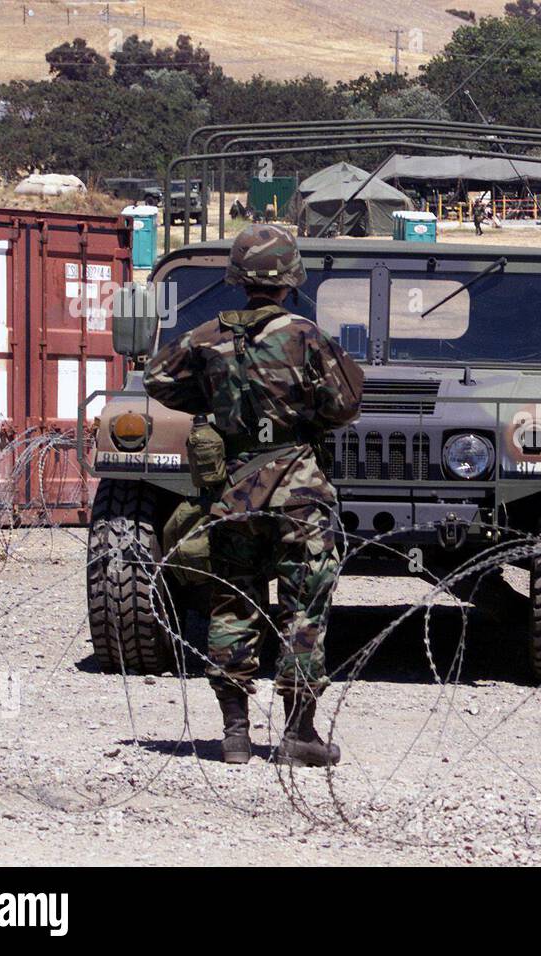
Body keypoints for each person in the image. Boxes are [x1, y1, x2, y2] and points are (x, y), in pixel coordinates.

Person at [144, 223, 364, 766]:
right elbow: (345, 405)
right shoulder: (306, 335)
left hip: (234, 492)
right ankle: (298, 735)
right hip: (299, 494)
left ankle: (235, 734)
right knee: (303, 609)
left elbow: (156, 379)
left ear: (238, 278)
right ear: (291, 278)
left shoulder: (207, 337)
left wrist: (216, 398)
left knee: (232, 604)